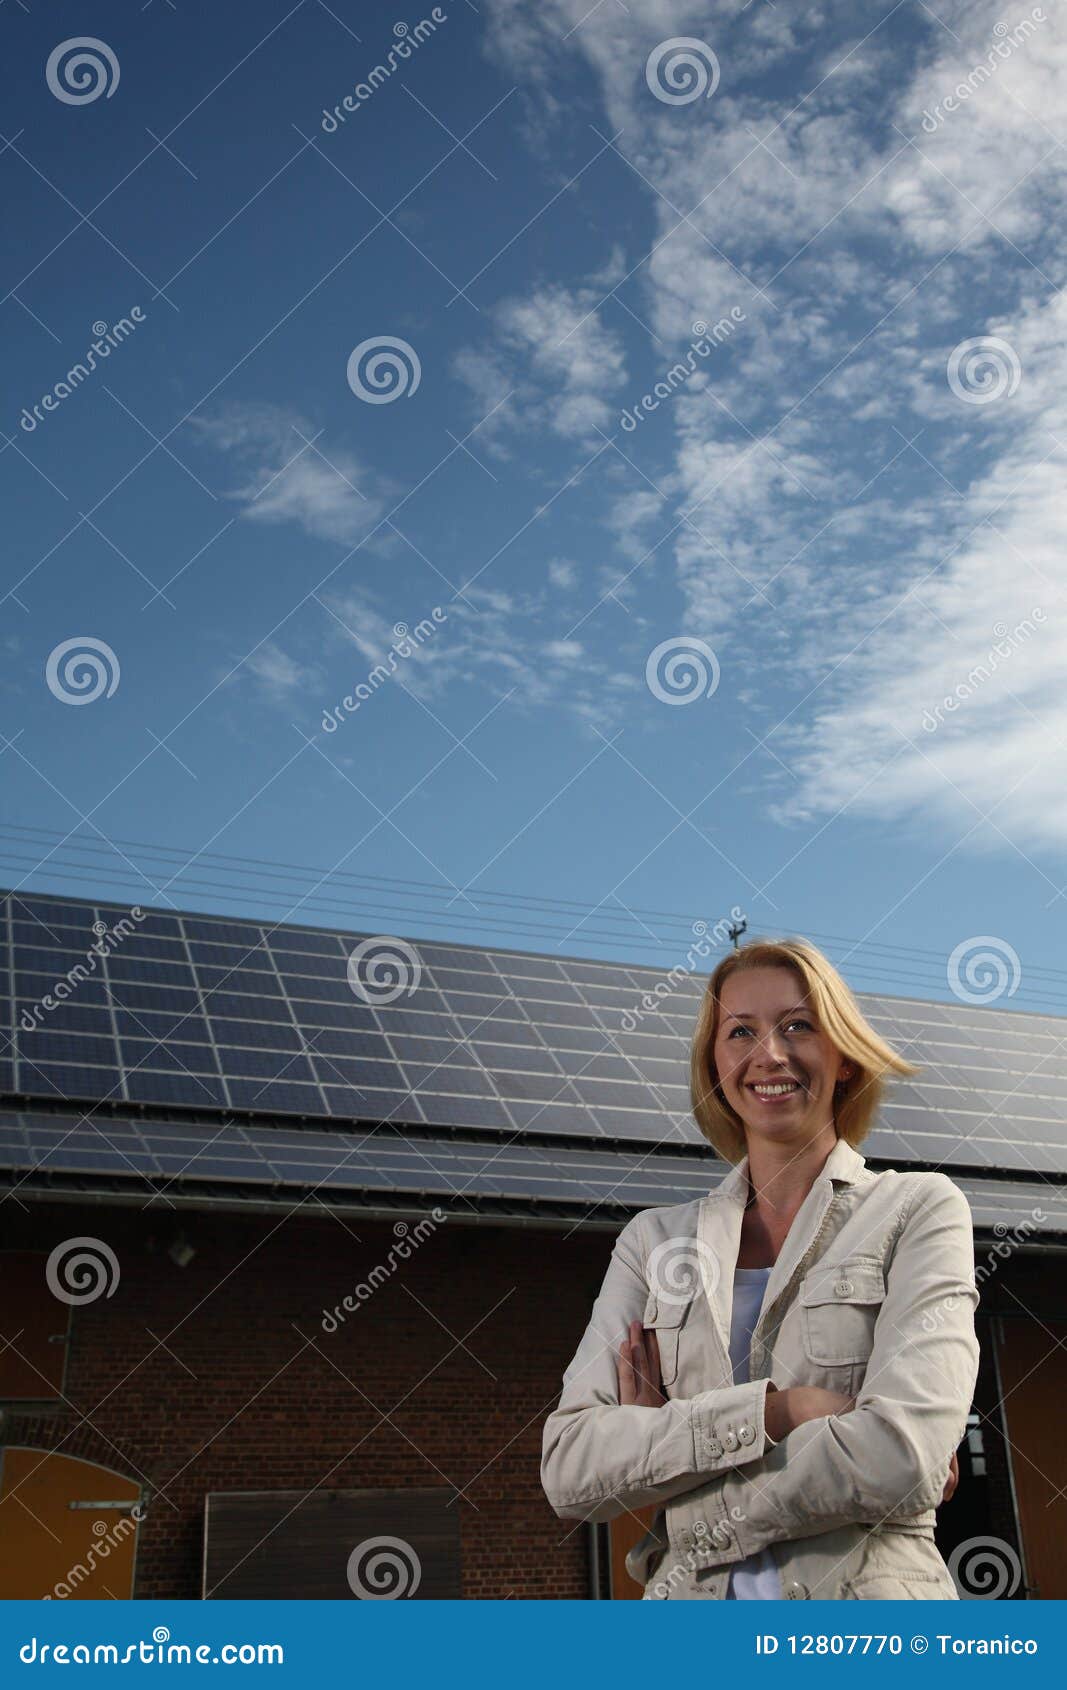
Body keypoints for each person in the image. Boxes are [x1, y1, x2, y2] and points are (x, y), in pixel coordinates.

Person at [540, 937, 978, 1600]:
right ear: (713, 1064)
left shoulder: (917, 1209)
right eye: (739, 1031)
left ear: (844, 1060)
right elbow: (572, 1468)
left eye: (797, 1025)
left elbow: (900, 1458)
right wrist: (785, 1410)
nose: (768, 1054)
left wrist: (673, 1461)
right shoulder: (653, 1242)